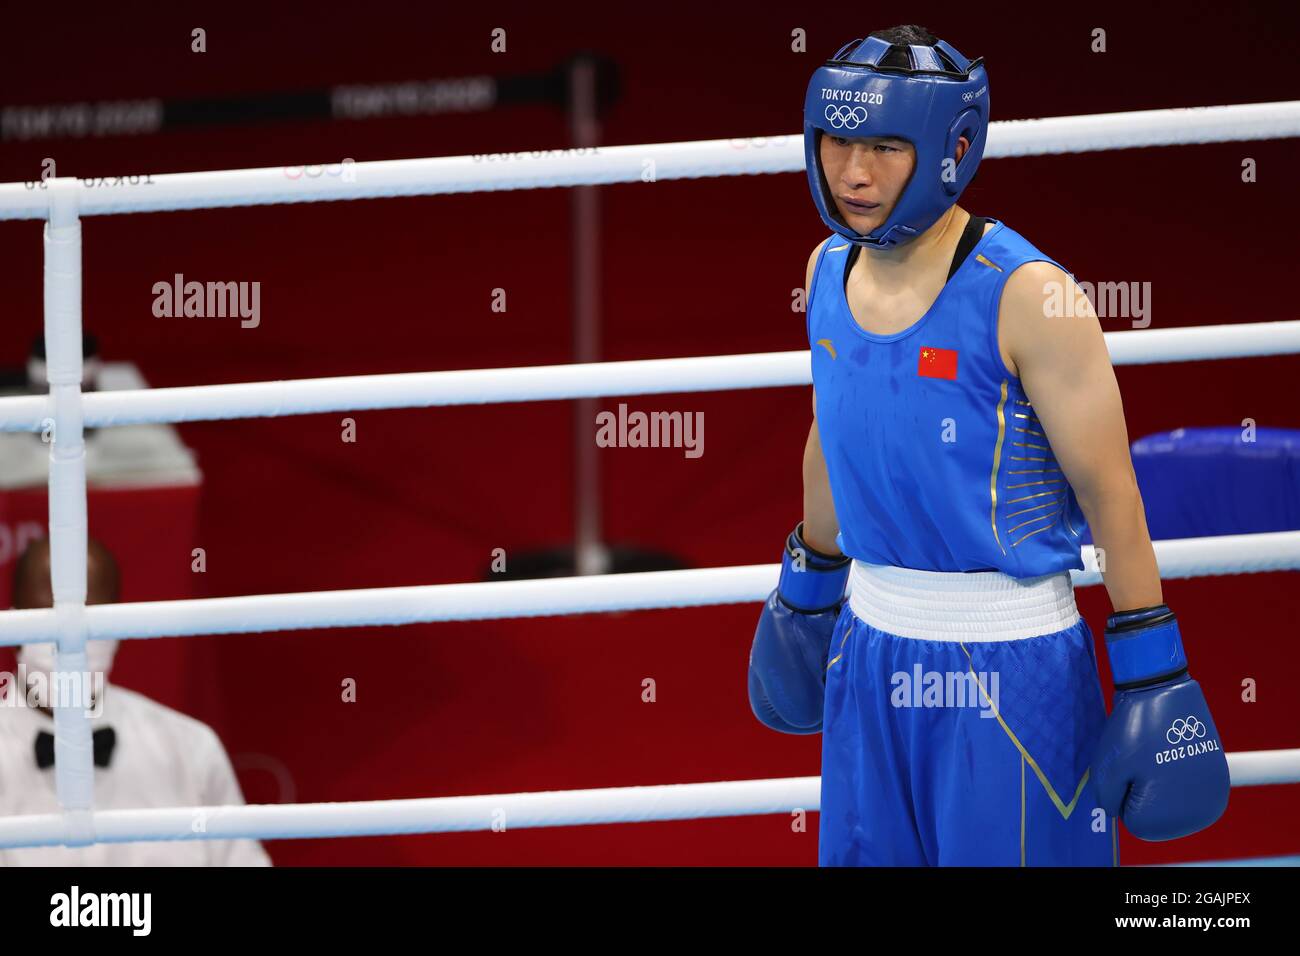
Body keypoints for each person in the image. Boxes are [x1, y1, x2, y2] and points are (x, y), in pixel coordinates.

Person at [747, 24, 1230, 866]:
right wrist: (807, 588)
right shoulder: (828, 269)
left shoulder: (1031, 294)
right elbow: (832, 435)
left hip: (1009, 670)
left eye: (887, 146)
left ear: (950, 146)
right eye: (837, 141)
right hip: (869, 646)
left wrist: (1157, 671)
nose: (854, 173)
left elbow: (1111, 491)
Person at [0, 538, 272, 866]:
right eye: (47, 625)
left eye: (90, 628)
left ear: (121, 627)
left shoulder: (190, 749)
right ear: (12, 626)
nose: (68, 648)